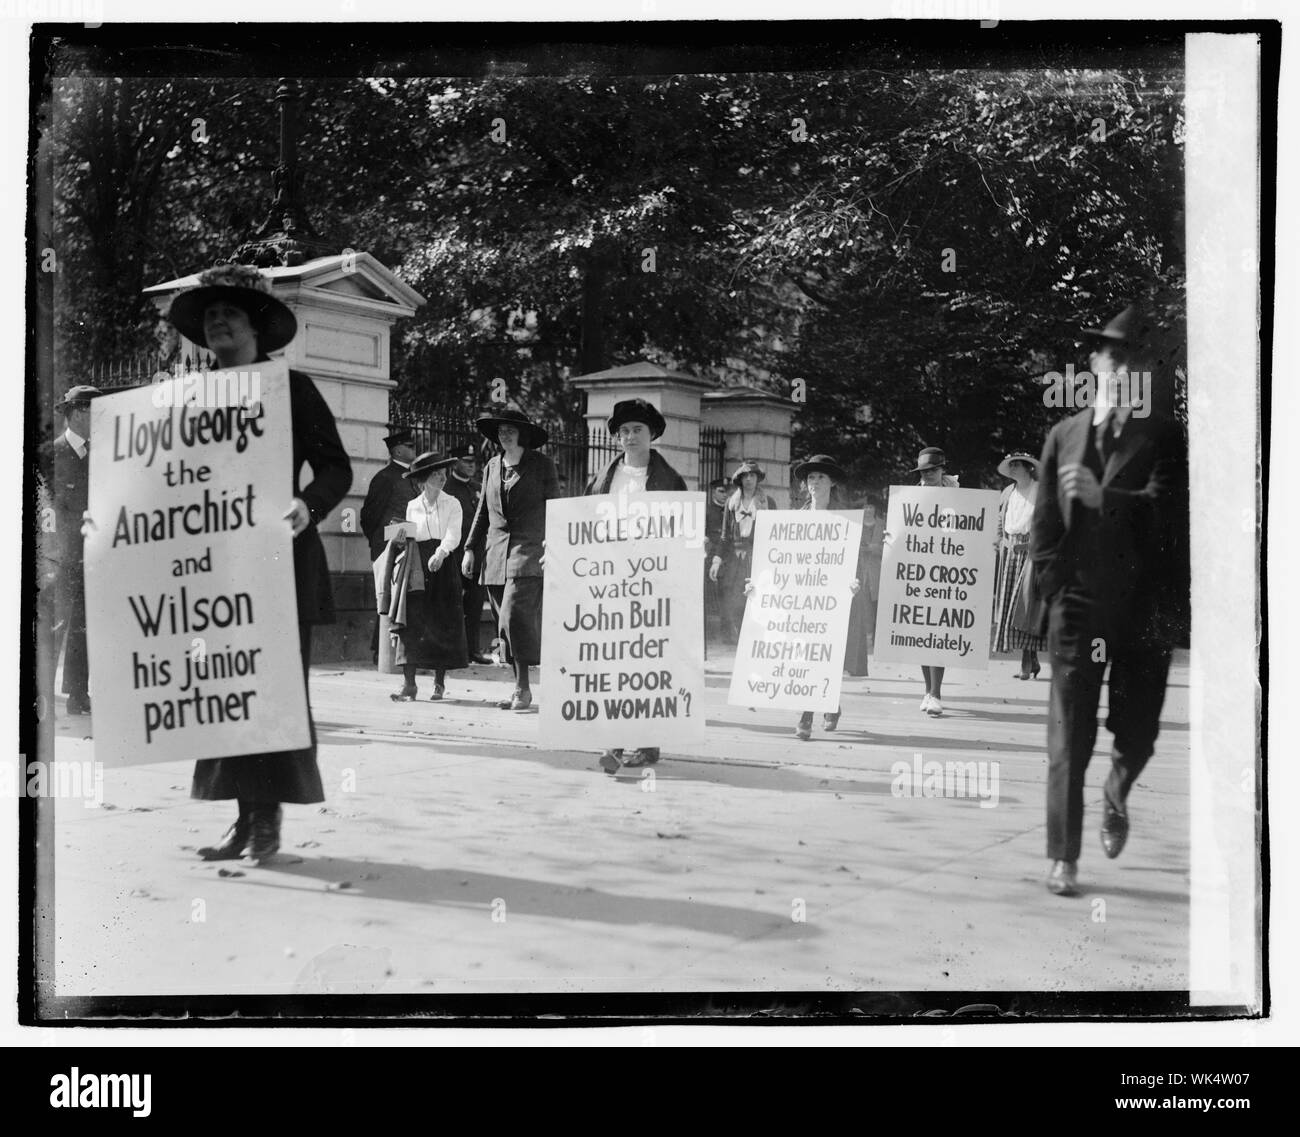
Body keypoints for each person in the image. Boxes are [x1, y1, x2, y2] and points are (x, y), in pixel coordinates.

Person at [166, 264, 352, 864]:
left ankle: (267, 822)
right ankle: (242, 820)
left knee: (271, 690)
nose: (218, 323)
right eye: (210, 316)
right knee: (223, 687)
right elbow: (165, 479)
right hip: (213, 564)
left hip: (278, 559)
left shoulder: (289, 388)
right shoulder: (190, 398)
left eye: (230, 314)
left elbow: (336, 467)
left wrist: (308, 503)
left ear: (254, 328)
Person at [1030, 304, 1189, 898]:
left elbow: (1168, 517)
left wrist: (1104, 498)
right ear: (1094, 365)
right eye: (1111, 357)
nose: (1121, 369)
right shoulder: (1063, 436)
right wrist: (1054, 589)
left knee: (1139, 732)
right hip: (1077, 605)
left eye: (1134, 360)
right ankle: (1064, 857)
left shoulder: (1165, 437)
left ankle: (1117, 790)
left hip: (1143, 609)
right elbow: (1044, 525)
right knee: (1069, 735)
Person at [584, 398, 688, 772]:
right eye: (623, 431)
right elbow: (582, 526)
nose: (629, 437)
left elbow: (683, 532)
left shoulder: (670, 481)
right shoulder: (601, 480)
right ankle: (612, 742)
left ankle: (645, 742)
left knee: (645, 660)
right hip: (609, 582)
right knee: (612, 659)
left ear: (652, 435)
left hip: (652, 582)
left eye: (637, 431)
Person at [463, 406, 559, 712]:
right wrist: (469, 548)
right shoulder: (492, 465)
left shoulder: (541, 465)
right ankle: (522, 686)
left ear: (523, 434)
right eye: (501, 431)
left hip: (529, 550)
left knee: (514, 618)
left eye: (510, 431)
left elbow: (556, 505)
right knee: (503, 625)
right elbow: (482, 512)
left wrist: (555, 543)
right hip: (495, 553)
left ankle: (522, 687)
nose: (504, 436)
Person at [382, 451, 469, 701]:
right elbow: (408, 535)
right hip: (417, 567)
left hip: (443, 564)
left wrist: (441, 554)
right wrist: (400, 539)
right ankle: (409, 684)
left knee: (441, 621)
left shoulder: (452, 503)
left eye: (443, 474)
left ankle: (439, 683)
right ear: (423, 480)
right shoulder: (412, 506)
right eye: (435, 474)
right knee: (412, 621)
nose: (442, 478)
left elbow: (454, 534)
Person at [787, 455, 861, 741]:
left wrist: (854, 581)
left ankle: (819, 706)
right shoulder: (797, 517)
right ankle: (813, 710)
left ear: (832, 483)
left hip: (834, 597)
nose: (814, 482)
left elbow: (855, 559)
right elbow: (782, 557)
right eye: (810, 478)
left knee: (825, 654)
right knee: (805, 655)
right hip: (803, 596)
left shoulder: (845, 518)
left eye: (820, 477)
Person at [39, 385, 101, 716]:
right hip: (61, 559)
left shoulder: (103, 452)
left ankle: (78, 695)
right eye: (97, 412)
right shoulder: (51, 454)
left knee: (83, 628)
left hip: (92, 558)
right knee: (54, 628)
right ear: (77, 413)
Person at [360, 426, 418, 663]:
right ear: (397, 450)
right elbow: (369, 516)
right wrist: (380, 542)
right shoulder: (384, 478)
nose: (414, 449)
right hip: (388, 546)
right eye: (409, 446)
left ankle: (391, 650)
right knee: (386, 596)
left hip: (407, 544)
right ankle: (380, 651)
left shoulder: (413, 476)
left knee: (398, 597)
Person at [911, 447, 959, 716]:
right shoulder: (913, 496)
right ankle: (927, 690)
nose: (928, 475)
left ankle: (936, 692)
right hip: (920, 569)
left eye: (933, 470)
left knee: (939, 631)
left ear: (942, 470)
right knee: (921, 631)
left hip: (946, 568)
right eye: (924, 472)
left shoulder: (956, 495)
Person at [709, 460, 776, 642]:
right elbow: (724, 537)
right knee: (735, 602)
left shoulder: (767, 502)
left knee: (757, 600)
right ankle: (743, 640)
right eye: (745, 476)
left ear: (757, 479)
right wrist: (717, 560)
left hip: (757, 558)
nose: (749, 480)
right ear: (739, 479)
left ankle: (757, 640)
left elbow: (774, 535)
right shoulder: (732, 503)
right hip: (735, 560)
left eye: (752, 475)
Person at [992, 452, 1045, 679]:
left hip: (1031, 552)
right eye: (1010, 466)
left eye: (1016, 465)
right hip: (1010, 552)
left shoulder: (1041, 491)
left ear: (1028, 468)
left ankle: (1027, 660)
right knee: (1011, 607)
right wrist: (999, 541)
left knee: (1025, 605)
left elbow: (1050, 521)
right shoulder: (1007, 492)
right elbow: (999, 521)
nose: (1012, 469)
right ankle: (1029, 659)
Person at [442, 443, 494, 665]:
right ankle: (453, 651)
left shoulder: (477, 487)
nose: (473, 466)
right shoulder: (446, 489)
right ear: (455, 463)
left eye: (474, 462)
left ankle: (472, 649)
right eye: (467, 461)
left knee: (474, 605)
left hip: (476, 556)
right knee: (452, 604)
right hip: (453, 557)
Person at [843, 493, 884, 677]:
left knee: (878, 611)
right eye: (864, 507)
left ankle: (879, 645)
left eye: (871, 506)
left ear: (875, 509)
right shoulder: (855, 525)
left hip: (878, 573)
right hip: (860, 573)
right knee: (863, 610)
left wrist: (875, 548)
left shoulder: (883, 525)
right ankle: (866, 644)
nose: (868, 509)